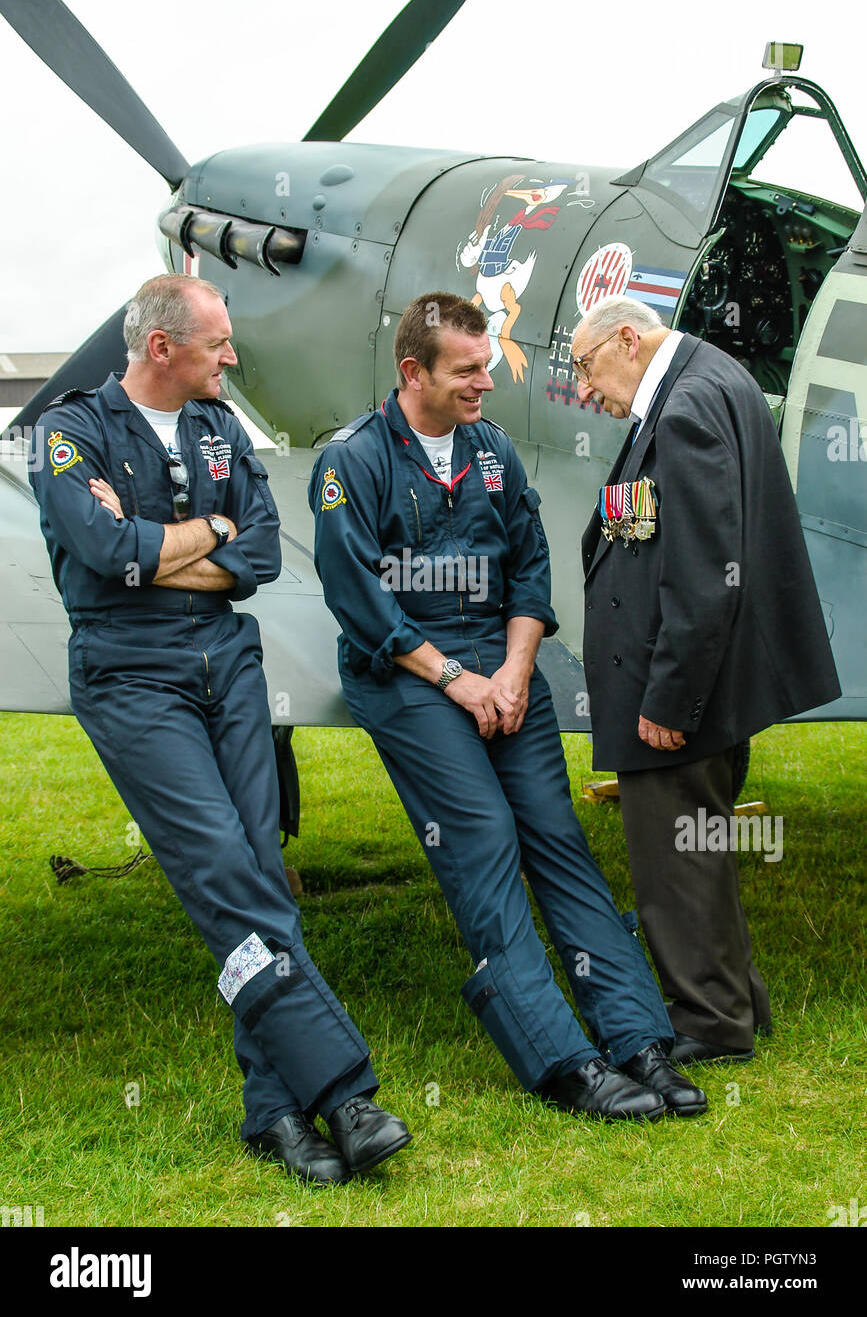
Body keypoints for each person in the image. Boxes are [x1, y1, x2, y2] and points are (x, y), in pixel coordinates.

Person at [29, 273, 410, 1185]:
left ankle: (272, 1112)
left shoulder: (217, 424)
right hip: (129, 672)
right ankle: (343, 1092)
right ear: (162, 347)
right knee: (223, 874)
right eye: (217, 344)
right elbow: (104, 557)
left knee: (258, 871)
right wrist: (213, 528)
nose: (233, 357)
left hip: (228, 664)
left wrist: (171, 546)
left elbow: (262, 551)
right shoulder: (70, 429)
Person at [309, 290, 707, 1122]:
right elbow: (356, 597)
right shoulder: (351, 459)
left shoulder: (491, 450)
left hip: (503, 661)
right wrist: (457, 679)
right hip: (406, 670)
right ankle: (563, 1061)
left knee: (555, 836)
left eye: (486, 365)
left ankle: (636, 1040)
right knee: (483, 840)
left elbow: (529, 564)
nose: (484, 384)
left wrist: (517, 671)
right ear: (412, 372)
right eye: (467, 370)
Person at [571, 296, 841, 1065]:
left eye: (586, 366)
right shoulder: (711, 378)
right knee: (705, 847)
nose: (583, 388)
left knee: (673, 864)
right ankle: (736, 1000)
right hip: (700, 680)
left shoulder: (685, 407)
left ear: (628, 338)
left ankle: (709, 1025)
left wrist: (667, 699)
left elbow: (701, 576)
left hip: (676, 690)